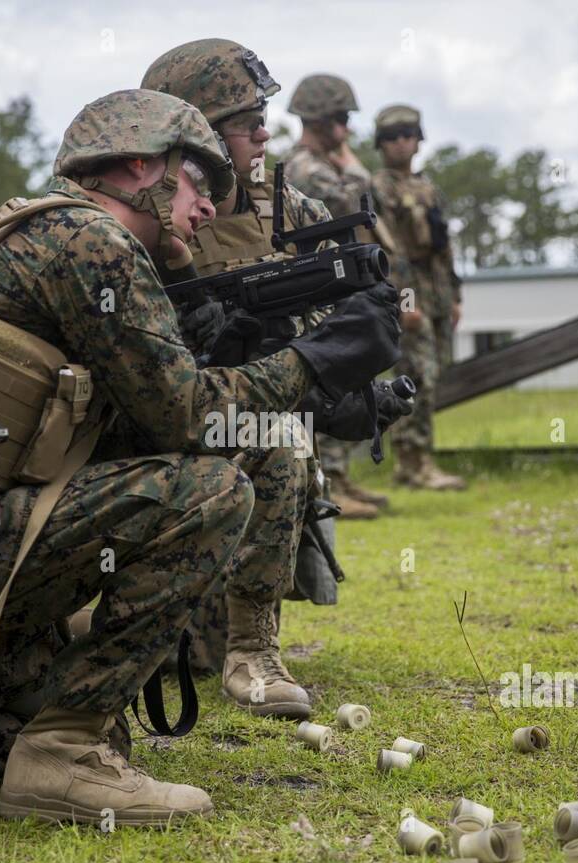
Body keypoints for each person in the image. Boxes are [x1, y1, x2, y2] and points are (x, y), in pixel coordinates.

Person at [0, 89, 401, 827]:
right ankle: (63, 753)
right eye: (195, 182)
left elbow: (113, 427)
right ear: (139, 165)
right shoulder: (95, 244)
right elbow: (191, 419)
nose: (211, 207)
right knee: (212, 492)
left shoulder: (17, 228)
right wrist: (320, 359)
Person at [140, 38, 414, 700]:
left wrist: (350, 385)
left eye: (264, 115)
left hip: (249, 421)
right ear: (194, 129)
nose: (265, 132)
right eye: (246, 121)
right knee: (173, 647)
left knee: (280, 434)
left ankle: (253, 649)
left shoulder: (283, 205)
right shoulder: (140, 215)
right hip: (152, 423)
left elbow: (341, 300)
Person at [283, 73, 411, 519]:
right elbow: (357, 204)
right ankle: (330, 486)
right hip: (323, 289)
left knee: (347, 384)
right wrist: (354, 166)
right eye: (341, 118)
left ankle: (341, 480)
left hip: (337, 285)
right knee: (331, 387)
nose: (347, 129)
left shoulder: (322, 163)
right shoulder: (305, 168)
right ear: (321, 120)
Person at [371, 104, 467, 491]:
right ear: (381, 143)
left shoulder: (428, 188)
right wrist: (405, 304)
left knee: (432, 376)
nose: (401, 143)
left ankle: (420, 460)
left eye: (407, 134)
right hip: (408, 295)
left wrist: (455, 297)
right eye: (392, 136)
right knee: (416, 376)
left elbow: (445, 249)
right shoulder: (380, 187)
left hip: (438, 292)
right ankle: (412, 464)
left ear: (418, 139)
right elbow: (390, 252)